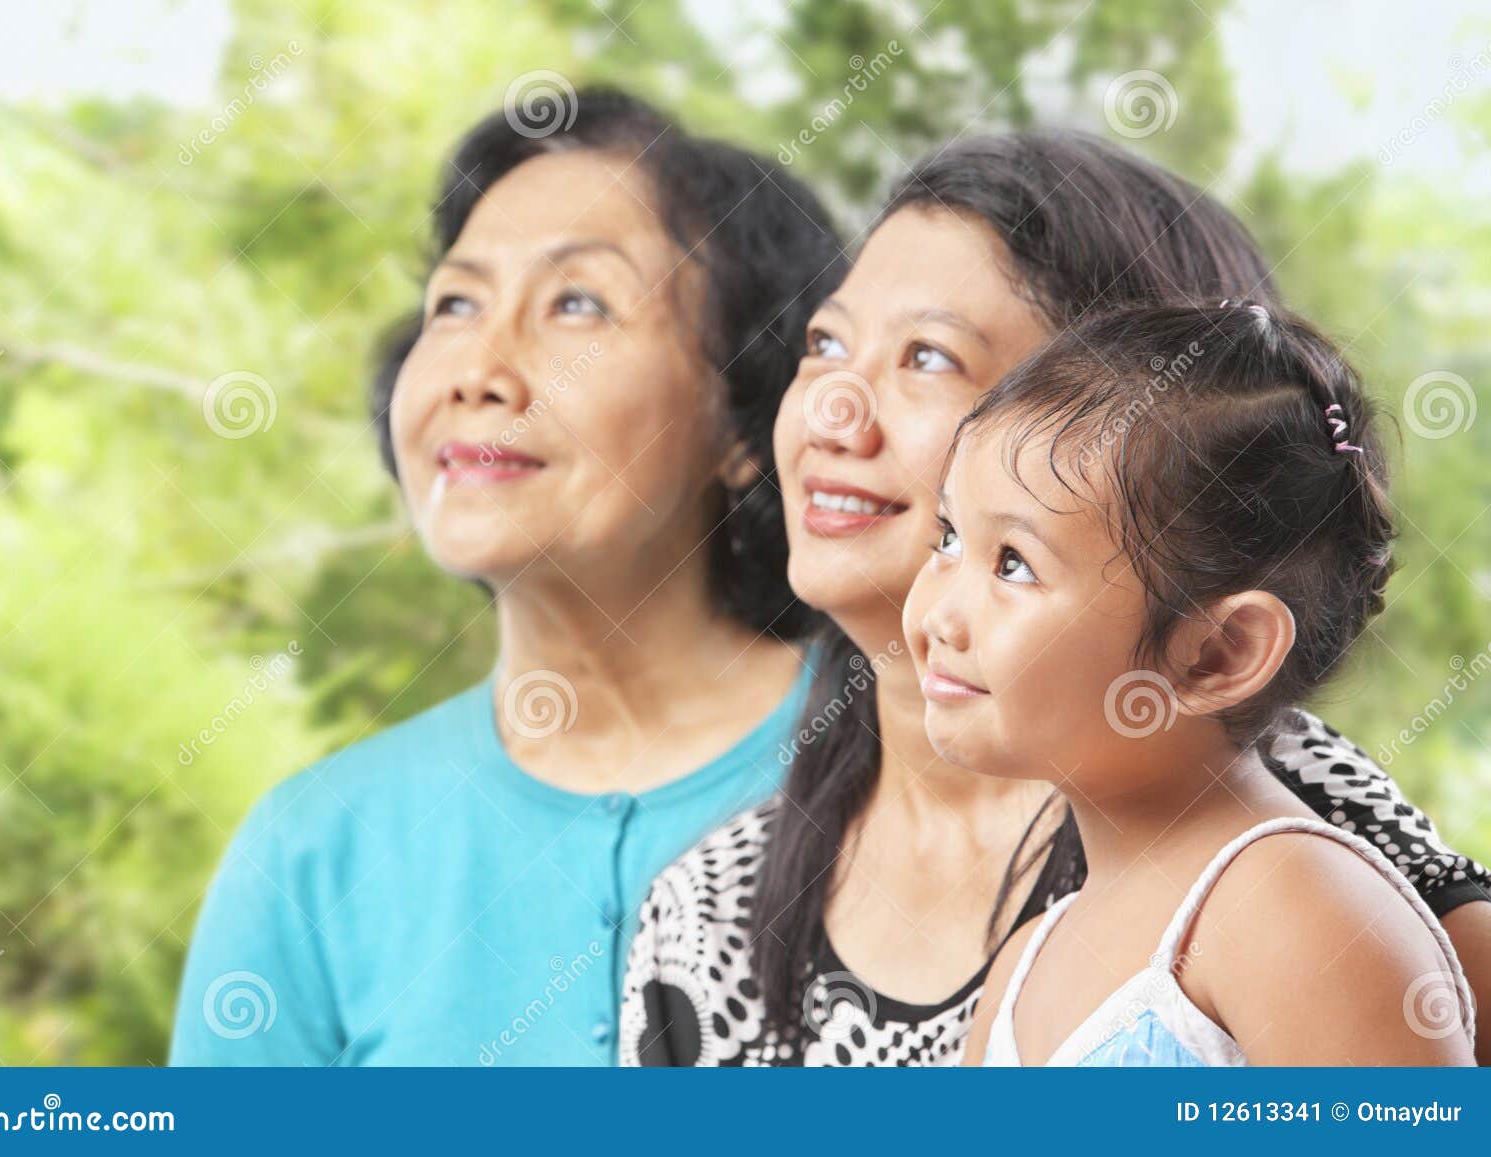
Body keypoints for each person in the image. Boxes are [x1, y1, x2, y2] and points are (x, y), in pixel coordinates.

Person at [621, 131, 1491, 1066]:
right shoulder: (706, 914)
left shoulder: (1298, 838)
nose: (832, 408)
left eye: (928, 356)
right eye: (826, 343)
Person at [169, 88, 843, 1065]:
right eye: (455, 302)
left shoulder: (921, 767)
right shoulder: (311, 853)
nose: (476, 368)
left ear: (743, 423)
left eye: (578, 301)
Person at [929, 303, 1474, 1066]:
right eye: (948, 537)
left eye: (1013, 562)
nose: (935, 615)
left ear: (1219, 652)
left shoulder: (1296, 911)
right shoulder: (1023, 966)